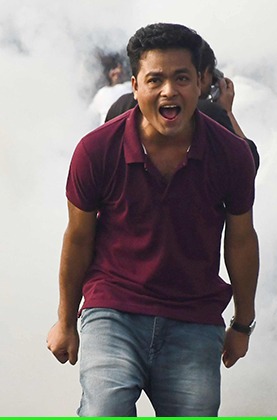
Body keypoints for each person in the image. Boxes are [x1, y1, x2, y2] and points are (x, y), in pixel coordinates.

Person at [45, 23, 259, 416]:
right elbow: (78, 238)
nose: (168, 91)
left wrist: (243, 325)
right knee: (104, 408)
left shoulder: (232, 154)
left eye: (181, 78)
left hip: (194, 316)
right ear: (135, 85)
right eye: (155, 79)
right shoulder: (95, 151)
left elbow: (242, 239)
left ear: (200, 81)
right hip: (113, 309)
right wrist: (65, 322)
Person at [106, 39, 260, 171]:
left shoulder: (120, 105)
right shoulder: (210, 113)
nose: (169, 92)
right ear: (203, 77)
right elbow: (247, 164)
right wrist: (227, 112)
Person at [88, 53, 132, 126]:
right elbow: (89, 117)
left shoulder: (130, 86)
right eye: (114, 68)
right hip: (106, 132)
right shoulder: (101, 93)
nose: (118, 71)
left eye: (119, 67)